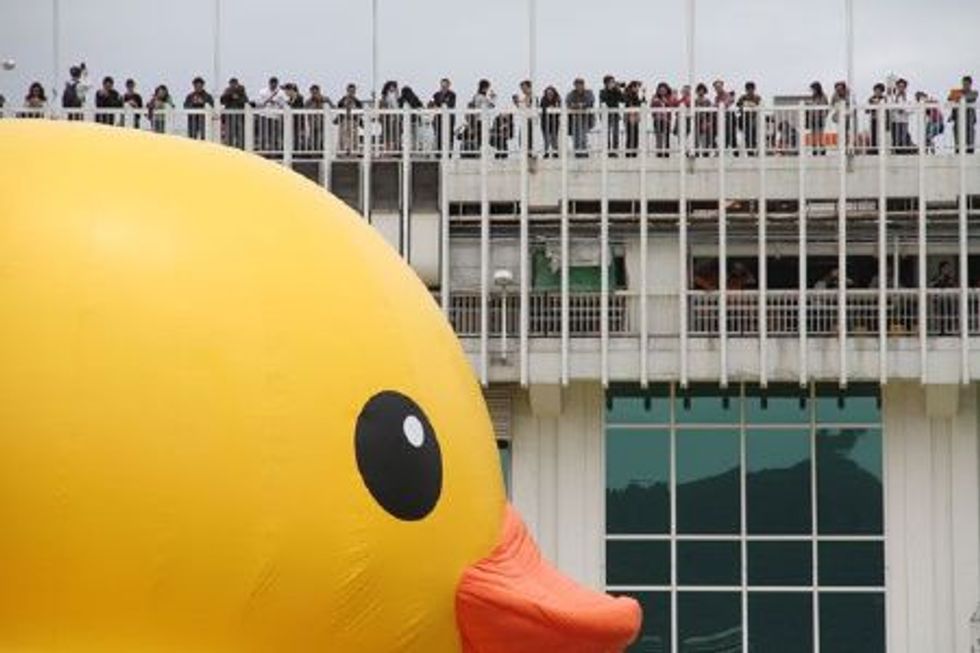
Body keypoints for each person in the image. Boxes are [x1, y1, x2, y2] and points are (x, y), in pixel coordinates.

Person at [254, 76, 288, 152]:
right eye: (272, 83)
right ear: (269, 83)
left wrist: (276, 102)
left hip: (275, 116)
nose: (273, 84)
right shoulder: (263, 91)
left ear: (277, 83)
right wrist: (266, 101)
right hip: (264, 115)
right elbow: (259, 102)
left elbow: (285, 104)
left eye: (275, 83)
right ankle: (262, 150)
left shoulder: (281, 93)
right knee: (263, 133)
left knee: (274, 135)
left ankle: (274, 151)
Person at [565, 78, 595, 158]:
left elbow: (590, 102)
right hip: (574, 118)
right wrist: (579, 105)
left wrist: (580, 105)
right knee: (575, 135)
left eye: (580, 84)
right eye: (577, 84)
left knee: (583, 135)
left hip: (585, 117)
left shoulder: (588, 92)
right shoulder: (571, 94)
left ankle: (584, 151)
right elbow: (568, 103)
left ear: (583, 85)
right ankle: (577, 152)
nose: (578, 86)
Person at [949, 75, 977, 154]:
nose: (964, 86)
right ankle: (958, 152)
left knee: (969, 141)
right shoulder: (959, 92)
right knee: (958, 140)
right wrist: (952, 115)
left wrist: (958, 95)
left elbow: (970, 97)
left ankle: (970, 153)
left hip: (969, 121)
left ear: (970, 84)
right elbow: (950, 98)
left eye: (966, 84)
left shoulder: (974, 93)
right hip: (958, 121)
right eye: (963, 84)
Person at [219, 77, 249, 148]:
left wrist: (238, 98)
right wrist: (230, 96)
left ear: (237, 84)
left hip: (240, 117)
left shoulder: (242, 92)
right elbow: (222, 100)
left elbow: (246, 102)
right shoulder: (227, 91)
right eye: (231, 84)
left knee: (240, 134)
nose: (233, 85)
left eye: (234, 83)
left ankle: (241, 149)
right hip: (229, 117)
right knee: (229, 134)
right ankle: (229, 149)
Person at [599, 75, 624, 155]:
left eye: (613, 82)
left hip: (615, 115)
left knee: (615, 133)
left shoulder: (616, 91)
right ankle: (607, 151)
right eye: (611, 82)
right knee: (607, 134)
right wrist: (609, 90)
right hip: (606, 116)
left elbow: (623, 100)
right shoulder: (602, 91)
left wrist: (618, 90)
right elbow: (603, 100)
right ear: (606, 83)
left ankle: (615, 151)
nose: (613, 83)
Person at [335, 83, 363, 157]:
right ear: (347, 90)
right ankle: (341, 153)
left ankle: (354, 153)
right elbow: (339, 108)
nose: (351, 93)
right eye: (350, 91)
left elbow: (360, 111)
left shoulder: (357, 101)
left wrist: (360, 122)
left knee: (354, 137)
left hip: (353, 121)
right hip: (344, 120)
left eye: (353, 91)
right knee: (342, 137)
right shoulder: (342, 100)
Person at [304, 84, 332, 153]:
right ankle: (313, 153)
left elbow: (333, 107)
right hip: (312, 123)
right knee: (312, 139)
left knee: (322, 138)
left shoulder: (325, 99)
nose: (314, 94)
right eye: (312, 92)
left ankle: (322, 153)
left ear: (319, 91)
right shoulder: (308, 101)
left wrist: (322, 102)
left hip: (322, 122)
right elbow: (304, 110)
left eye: (315, 92)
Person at [736, 81, 762, 156]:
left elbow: (761, 105)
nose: (750, 91)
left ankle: (754, 150)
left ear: (754, 89)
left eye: (751, 89)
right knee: (747, 136)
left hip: (754, 120)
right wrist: (743, 107)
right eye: (748, 89)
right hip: (745, 120)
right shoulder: (743, 97)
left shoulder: (757, 98)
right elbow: (738, 106)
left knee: (754, 136)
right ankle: (749, 152)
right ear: (746, 90)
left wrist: (753, 107)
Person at [432, 78, 456, 156]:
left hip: (449, 119)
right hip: (438, 118)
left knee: (449, 135)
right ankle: (438, 153)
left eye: (445, 85)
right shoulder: (436, 94)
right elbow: (433, 104)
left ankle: (449, 153)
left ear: (449, 85)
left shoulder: (452, 94)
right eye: (442, 85)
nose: (443, 87)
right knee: (438, 135)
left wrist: (441, 105)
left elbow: (450, 105)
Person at [888, 78, 913, 153]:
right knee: (895, 138)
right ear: (897, 87)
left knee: (903, 137)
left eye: (903, 86)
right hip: (894, 120)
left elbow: (912, 109)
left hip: (904, 120)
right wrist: (896, 99)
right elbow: (889, 107)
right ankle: (896, 152)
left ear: (905, 87)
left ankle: (903, 152)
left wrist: (904, 110)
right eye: (899, 86)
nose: (901, 88)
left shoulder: (909, 97)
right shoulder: (893, 96)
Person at [650, 82, 674, 158]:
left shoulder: (669, 97)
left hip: (666, 120)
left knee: (666, 136)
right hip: (657, 119)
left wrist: (666, 102)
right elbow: (651, 107)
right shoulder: (654, 97)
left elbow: (672, 106)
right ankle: (659, 153)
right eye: (661, 90)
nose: (662, 91)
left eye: (664, 90)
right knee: (658, 136)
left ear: (667, 90)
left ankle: (667, 153)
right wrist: (656, 101)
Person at [713, 79, 737, 154]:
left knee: (731, 134)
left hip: (729, 116)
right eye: (716, 87)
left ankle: (734, 152)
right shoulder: (716, 97)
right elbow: (715, 106)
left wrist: (719, 105)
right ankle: (721, 150)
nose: (717, 88)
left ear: (722, 86)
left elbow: (728, 102)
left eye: (719, 87)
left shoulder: (727, 94)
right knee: (720, 134)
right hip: (720, 118)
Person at [806, 81, 829, 155]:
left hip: (820, 118)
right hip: (813, 118)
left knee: (820, 134)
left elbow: (824, 106)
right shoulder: (813, 96)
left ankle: (822, 149)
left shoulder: (823, 96)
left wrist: (823, 115)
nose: (812, 91)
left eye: (813, 89)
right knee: (813, 134)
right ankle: (814, 149)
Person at [513, 79, 535, 154]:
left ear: (529, 87)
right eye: (522, 88)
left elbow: (529, 107)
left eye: (524, 88)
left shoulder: (533, 97)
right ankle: (526, 153)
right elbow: (521, 108)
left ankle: (529, 153)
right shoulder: (525, 98)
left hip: (530, 120)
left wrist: (520, 103)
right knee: (522, 139)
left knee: (528, 139)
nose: (523, 90)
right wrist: (516, 102)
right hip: (524, 120)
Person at [539, 85, 561, 158]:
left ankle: (555, 152)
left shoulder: (557, 99)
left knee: (554, 137)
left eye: (551, 93)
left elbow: (559, 110)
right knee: (546, 138)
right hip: (545, 122)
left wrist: (554, 108)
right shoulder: (543, 100)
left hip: (555, 122)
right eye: (548, 93)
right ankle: (546, 152)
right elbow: (542, 109)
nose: (550, 95)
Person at [623, 80, 643, 157]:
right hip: (629, 117)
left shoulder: (636, 95)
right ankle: (629, 153)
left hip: (635, 117)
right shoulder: (628, 94)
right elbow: (628, 103)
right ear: (632, 87)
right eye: (636, 87)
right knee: (630, 135)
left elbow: (640, 104)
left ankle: (634, 153)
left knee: (635, 135)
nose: (638, 88)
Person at [866, 82, 887, 155]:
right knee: (873, 134)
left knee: (881, 135)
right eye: (876, 90)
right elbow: (867, 110)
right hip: (873, 119)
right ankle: (873, 149)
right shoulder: (871, 99)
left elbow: (887, 109)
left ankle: (881, 149)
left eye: (879, 90)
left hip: (882, 119)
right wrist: (872, 105)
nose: (877, 92)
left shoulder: (884, 99)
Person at [694, 83, 714, 155]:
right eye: (699, 90)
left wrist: (708, 122)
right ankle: (696, 152)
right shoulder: (695, 101)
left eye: (702, 90)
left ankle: (705, 152)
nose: (701, 92)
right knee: (696, 137)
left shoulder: (707, 101)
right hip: (696, 121)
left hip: (705, 121)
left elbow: (710, 113)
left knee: (705, 137)